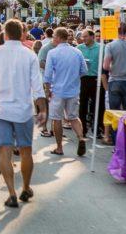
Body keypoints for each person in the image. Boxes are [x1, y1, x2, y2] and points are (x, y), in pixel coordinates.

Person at [0, 20, 47, 209]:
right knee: (26, 150)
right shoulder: (29, 55)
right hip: (23, 110)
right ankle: (26, 187)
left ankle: (11, 192)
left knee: (4, 151)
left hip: (1, 109)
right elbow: (37, 84)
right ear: (22, 34)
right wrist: (43, 108)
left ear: (5, 34)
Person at [43, 28, 88, 157]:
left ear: (58, 37)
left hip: (57, 90)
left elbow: (48, 75)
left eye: (54, 37)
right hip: (73, 89)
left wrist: (47, 90)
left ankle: (59, 147)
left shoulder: (52, 53)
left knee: (56, 119)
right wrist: (74, 77)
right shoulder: (77, 52)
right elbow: (84, 70)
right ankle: (81, 138)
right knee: (73, 117)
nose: (53, 39)